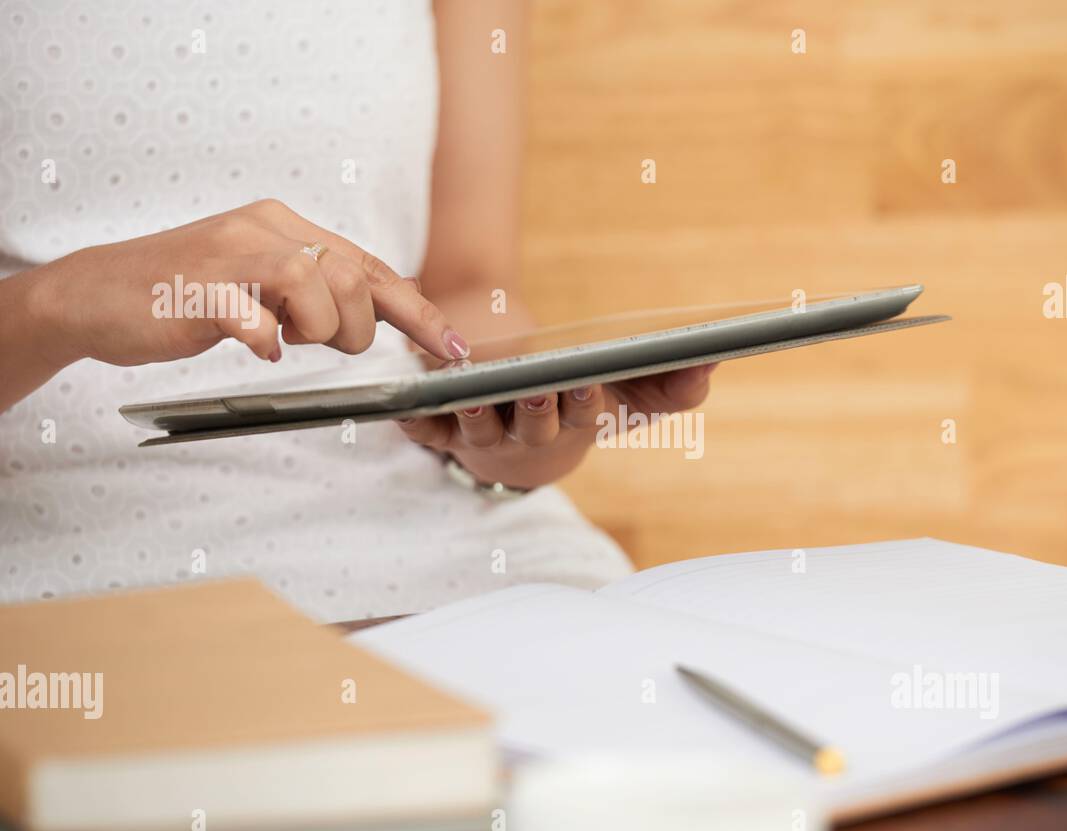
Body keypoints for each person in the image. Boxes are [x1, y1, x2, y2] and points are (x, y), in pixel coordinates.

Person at [0, 0, 714, 619]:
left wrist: (509, 426)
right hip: (53, 548)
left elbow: (469, 289)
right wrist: (61, 301)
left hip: (431, 527)